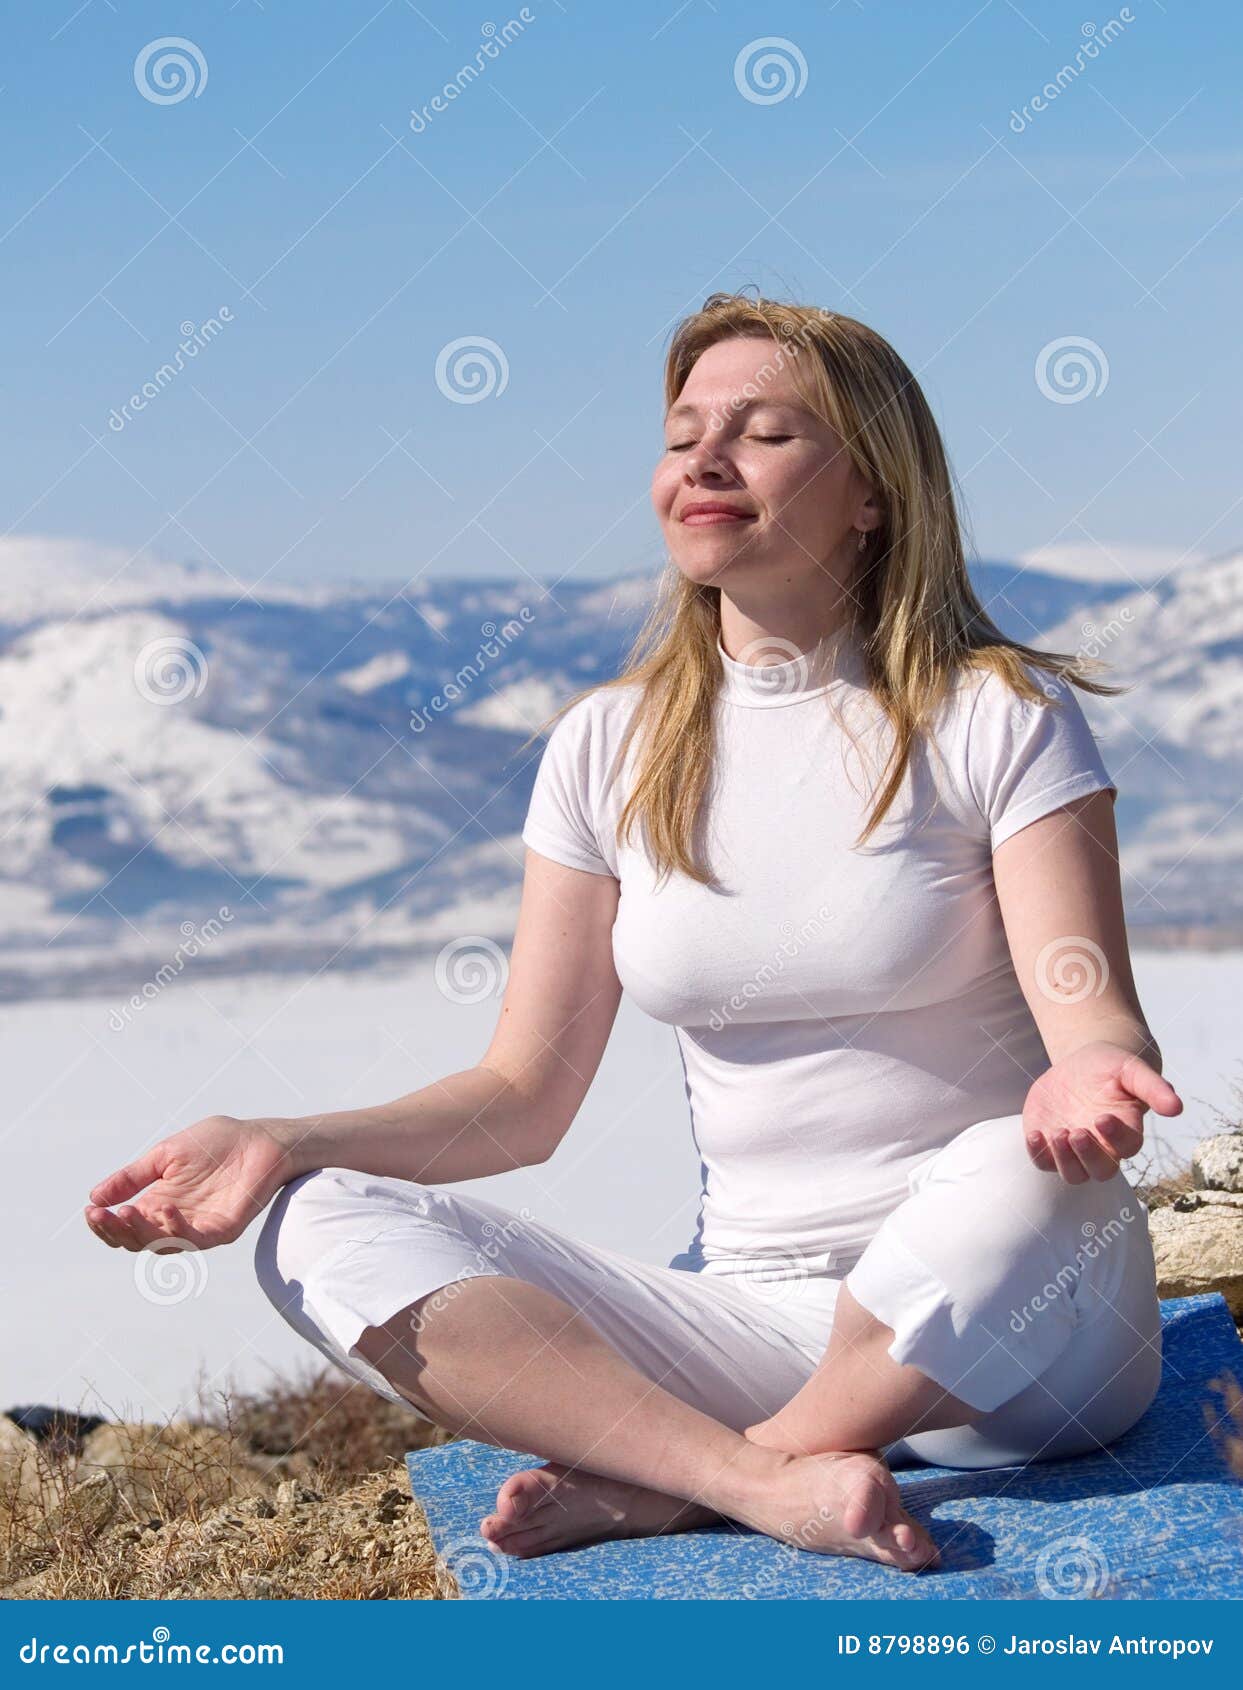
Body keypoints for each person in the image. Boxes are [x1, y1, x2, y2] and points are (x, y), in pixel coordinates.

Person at [85, 293, 1183, 1574]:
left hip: (1027, 1339)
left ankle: (695, 1482)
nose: (704, 461)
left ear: (873, 493)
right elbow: (519, 1098)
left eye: (762, 433)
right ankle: (757, 1477)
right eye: (681, 435)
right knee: (311, 1219)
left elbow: (1087, 1014)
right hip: (754, 1312)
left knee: (1021, 1170)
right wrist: (280, 1141)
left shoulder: (996, 714)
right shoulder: (608, 746)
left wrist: (1088, 1068)